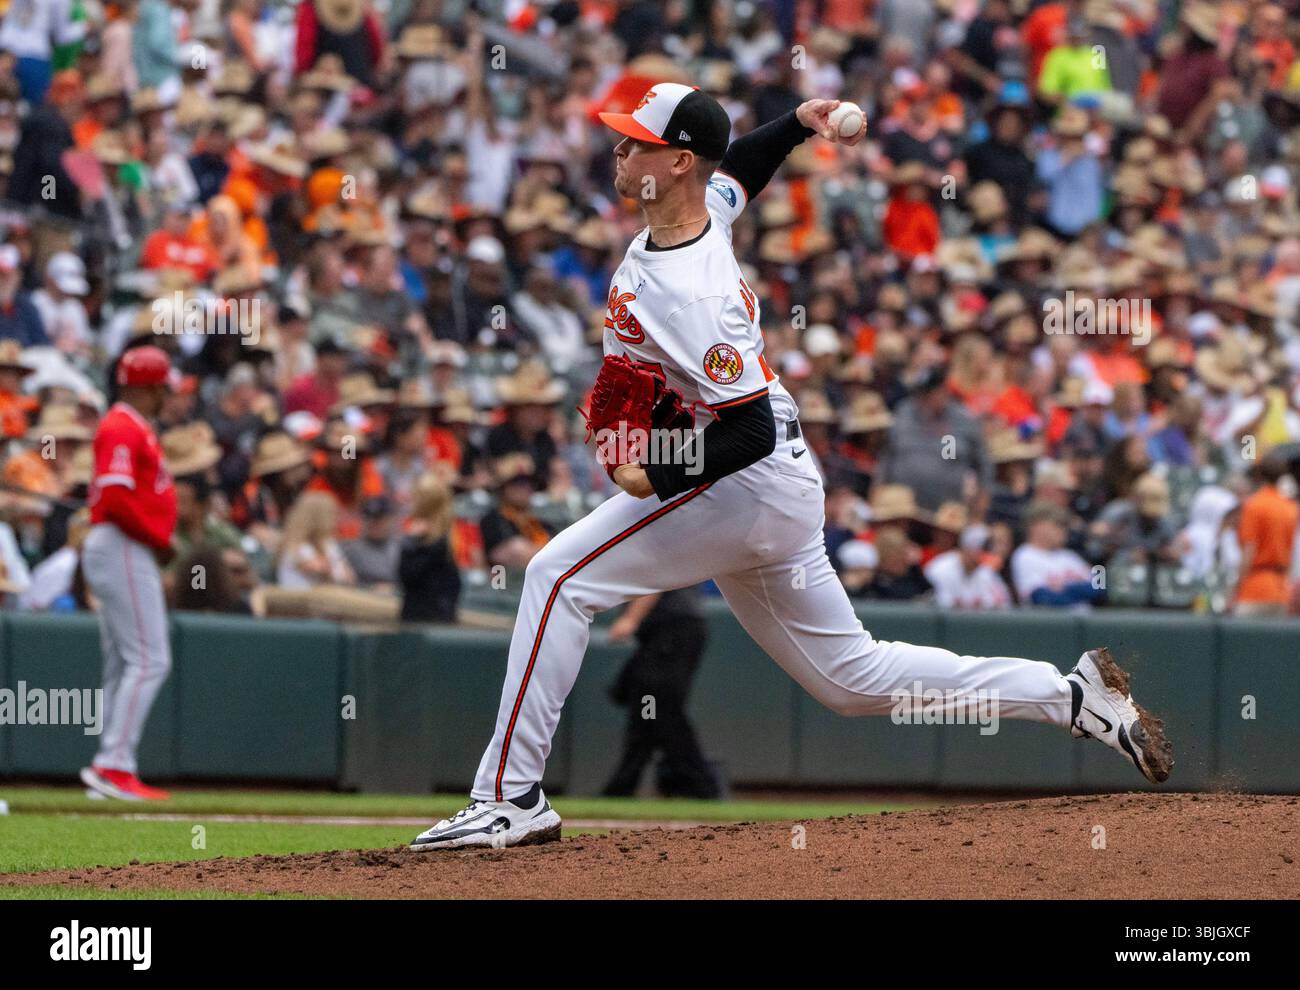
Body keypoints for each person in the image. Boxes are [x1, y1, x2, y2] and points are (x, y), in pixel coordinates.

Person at [409, 84, 1172, 852]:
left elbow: (745, 431)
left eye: (635, 140)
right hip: (773, 487)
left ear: (676, 162)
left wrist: (659, 470)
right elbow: (739, 168)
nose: (619, 150)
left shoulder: (694, 289)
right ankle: (1072, 696)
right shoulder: (700, 213)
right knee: (853, 682)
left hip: (745, 480)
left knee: (557, 577)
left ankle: (509, 798)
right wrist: (797, 124)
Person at [79, 346, 178, 802]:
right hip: (122, 546)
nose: (165, 394)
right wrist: (159, 537)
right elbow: (116, 501)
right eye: (161, 386)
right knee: (150, 659)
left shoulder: (131, 426)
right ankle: (115, 766)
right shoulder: (121, 425)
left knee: (125, 660)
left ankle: (109, 768)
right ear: (150, 387)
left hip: (121, 545)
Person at [602, 587, 723, 799]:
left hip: (673, 630)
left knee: (662, 711)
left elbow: (653, 581)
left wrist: (630, 619)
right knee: (646, 712)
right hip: (662, 633)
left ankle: (703, 786)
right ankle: (620, 788)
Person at [1233, 458, 1299, 617]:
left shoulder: (1255, 505)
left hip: (1255, 587)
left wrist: (1236, 589)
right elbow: (1292, 553)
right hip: (1281, 587)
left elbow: (1249, 550)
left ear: (1259, 475)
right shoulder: (1291, 507)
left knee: (1242, 640)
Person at [398, 473, 461, 623]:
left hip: (430, 620)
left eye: (415, 498)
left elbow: (407, 575)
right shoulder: (441, 536)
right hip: (420, 617)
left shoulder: (437, 541)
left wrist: (413, 544)